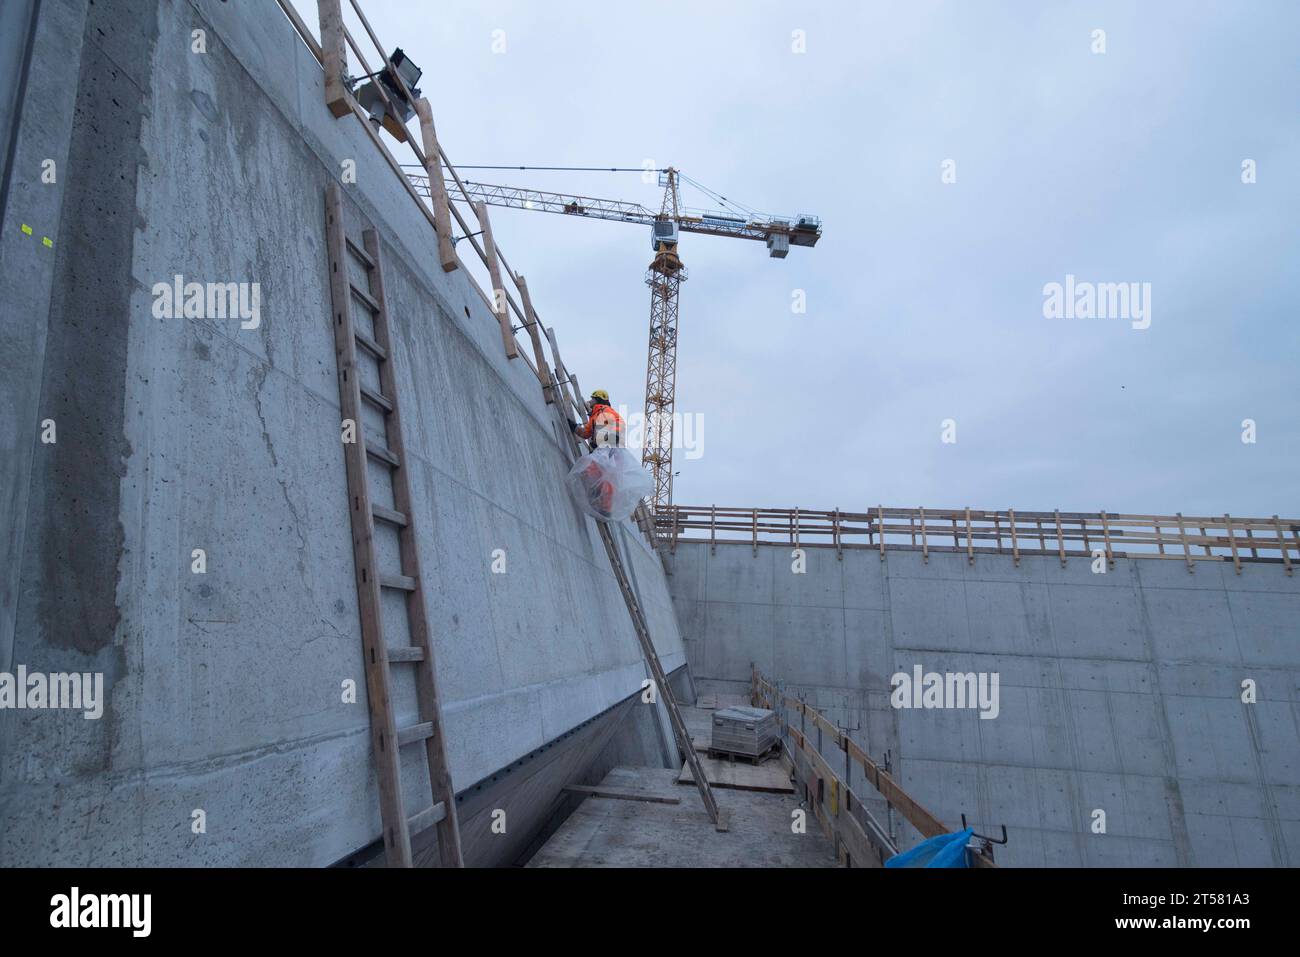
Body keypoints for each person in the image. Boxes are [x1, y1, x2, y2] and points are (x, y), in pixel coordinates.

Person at [570, 391, 625, 518]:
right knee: (602, 475)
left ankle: (600, 501)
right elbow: (586, 433)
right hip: (605, 448)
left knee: (595, 471)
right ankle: (602, 503)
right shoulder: (595, 415)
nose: (590, 401)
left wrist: (605, 439)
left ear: (598, 400)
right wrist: (575, 427)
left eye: (592, 399)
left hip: (608, 448)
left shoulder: (604, 411)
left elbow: (616, 426)